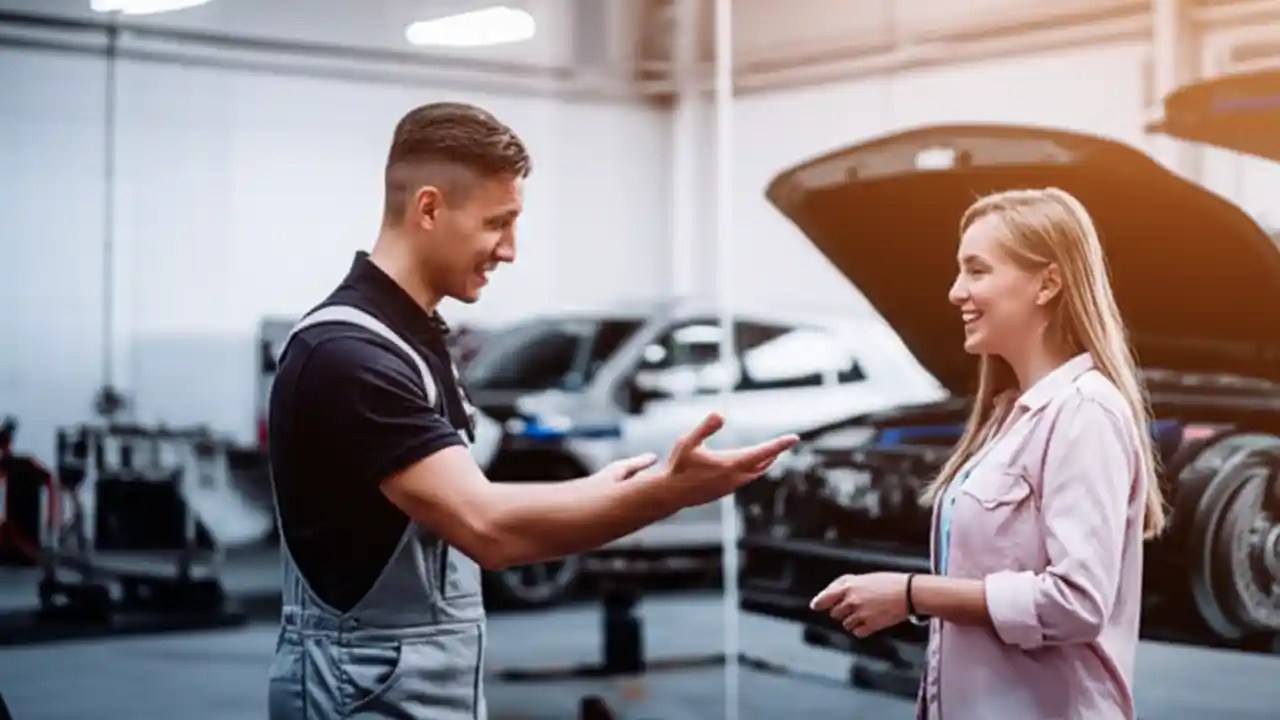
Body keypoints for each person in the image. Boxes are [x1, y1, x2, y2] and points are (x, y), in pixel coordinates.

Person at [265, 101, 798, 720]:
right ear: (429, 209)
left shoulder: (411, 338)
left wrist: (601, 490)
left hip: (403, 679)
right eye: (499, 223)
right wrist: (668, 495)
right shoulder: (350, 356)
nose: (510, 250)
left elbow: (466, 499)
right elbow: (488, 528)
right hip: (363, 691)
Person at [809, 187, 1166, 719]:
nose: (956, 292)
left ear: (1048, 282)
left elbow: (1076, 603)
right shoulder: (1008, 416)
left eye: (977, 271)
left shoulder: (1084, 413)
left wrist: (911, 595)